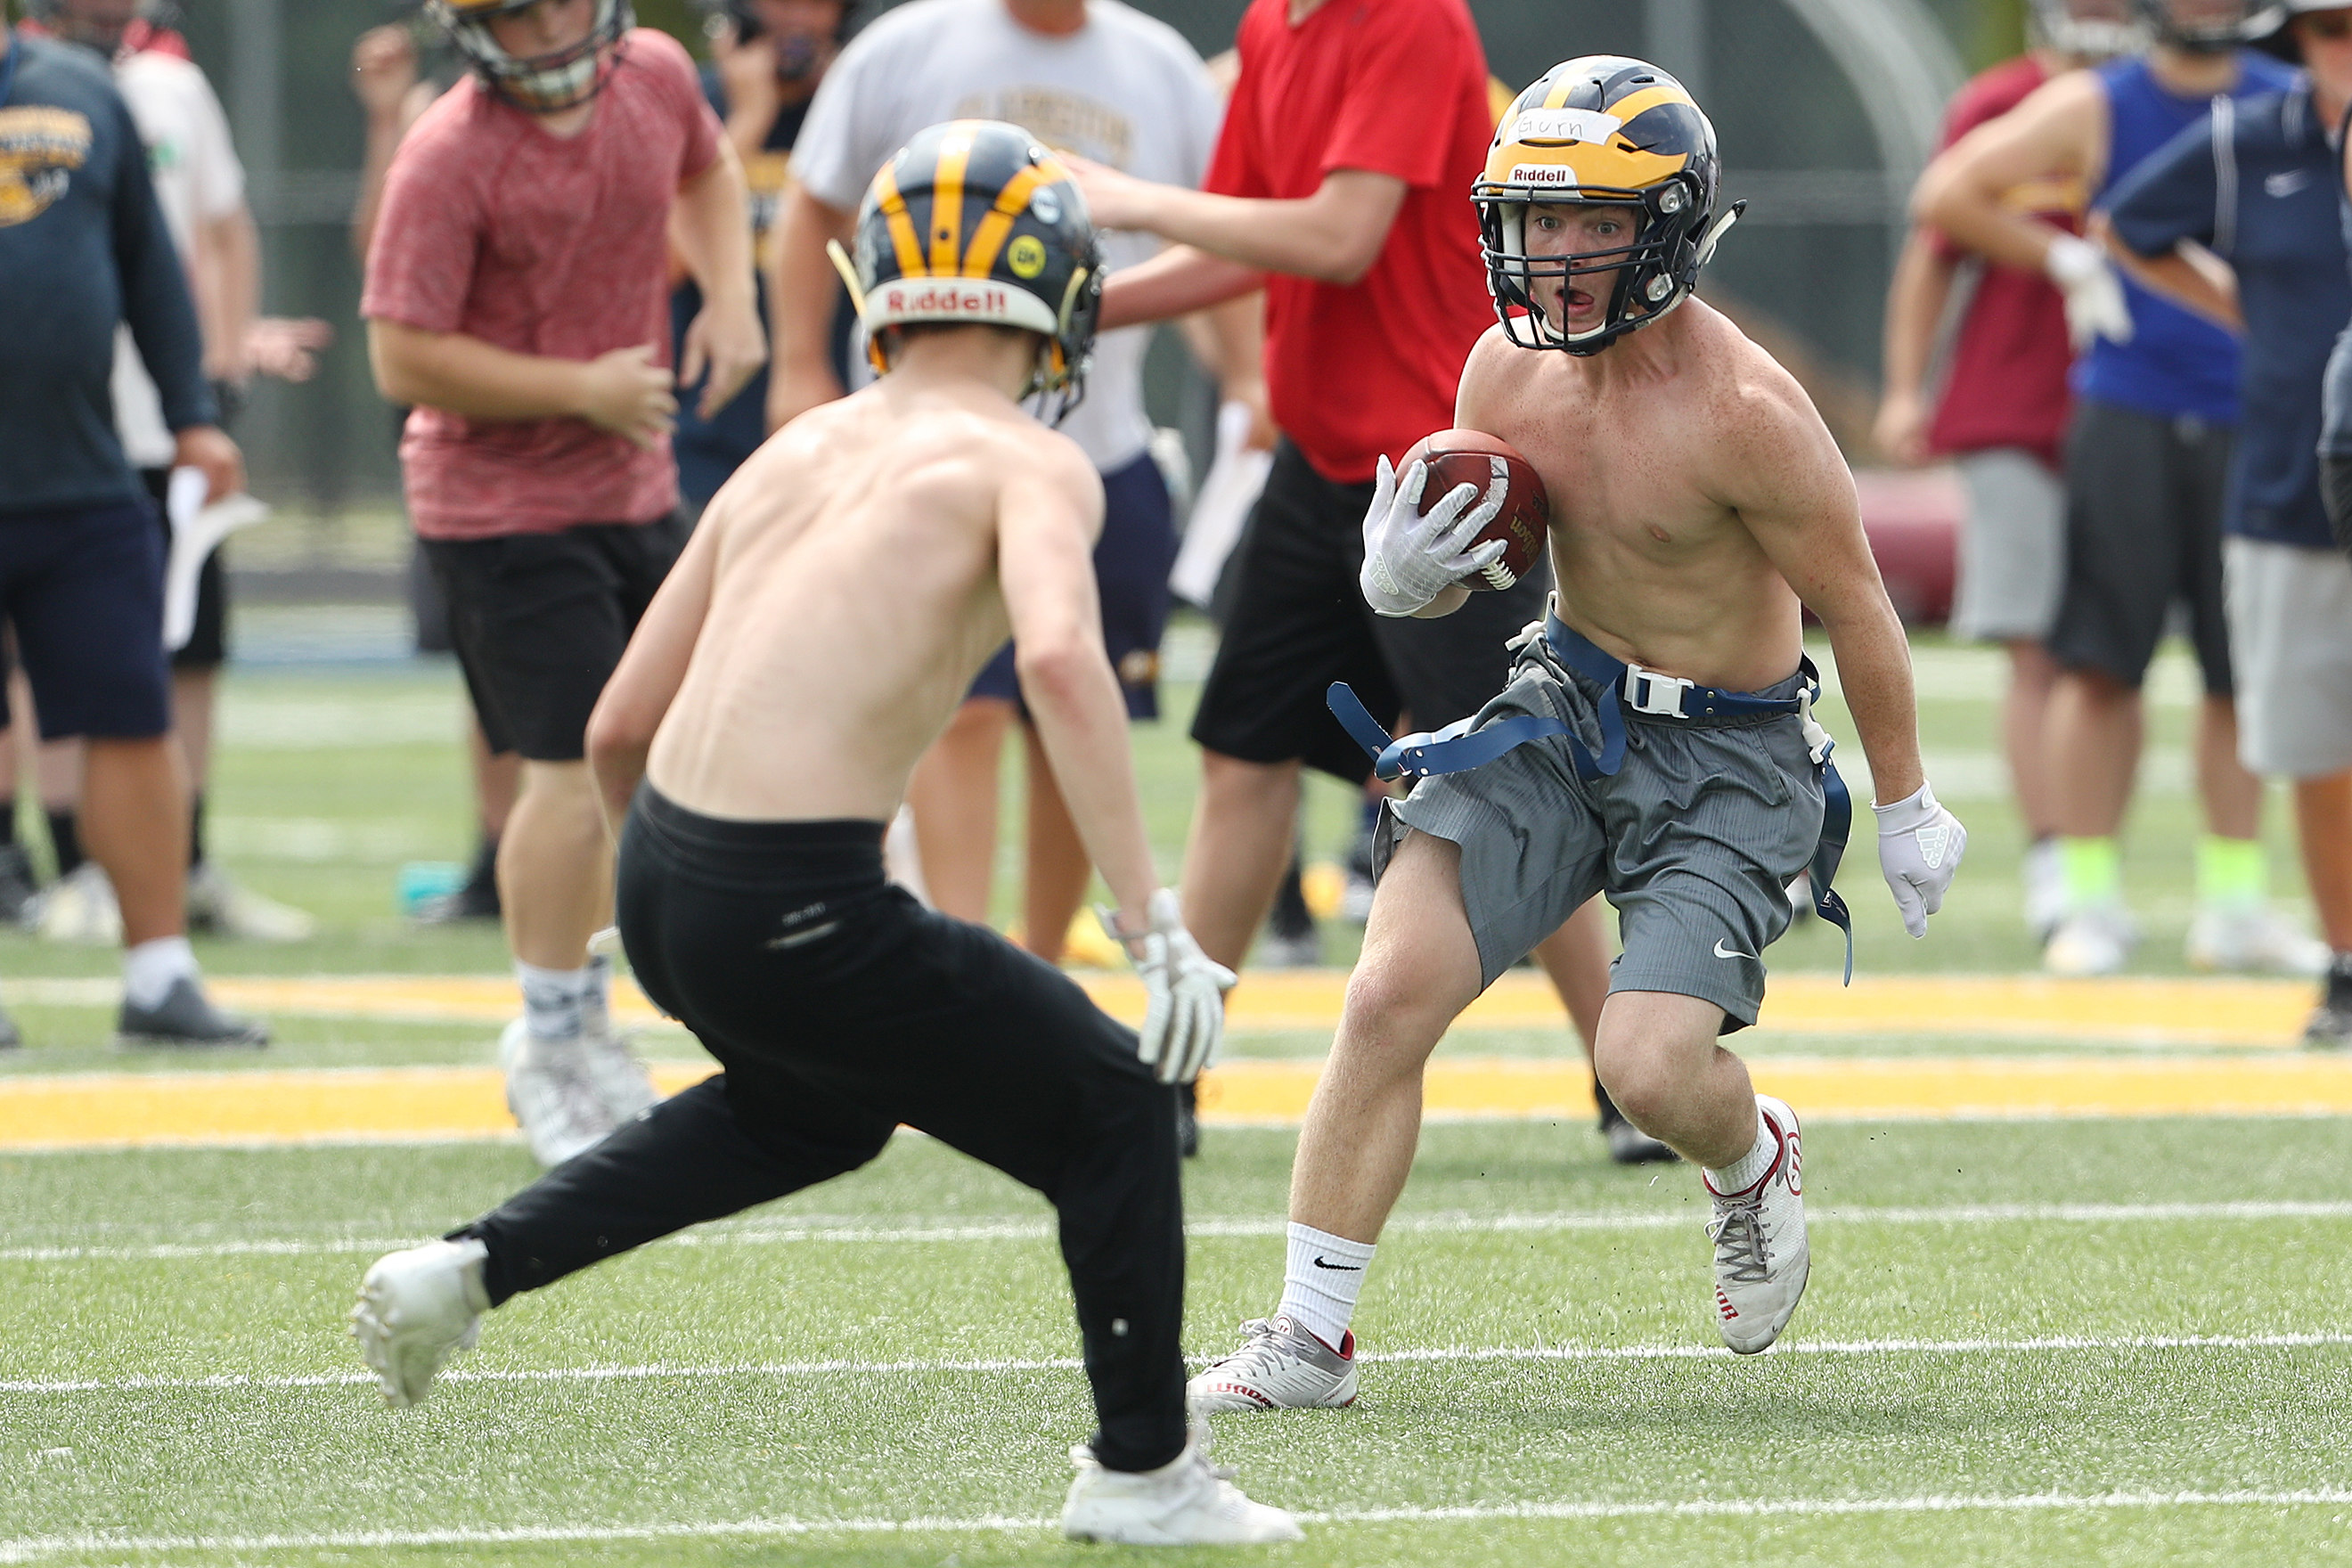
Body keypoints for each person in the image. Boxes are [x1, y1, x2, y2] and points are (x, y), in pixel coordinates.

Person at [347, 120, 1297, 1546]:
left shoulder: (801, 448)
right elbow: (1057, 666)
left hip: (670, 868)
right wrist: (1155, 923)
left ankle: (467, 1269)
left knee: (816, 1112)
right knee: (1113, 1108)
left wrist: (661, 896)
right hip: (787, 892)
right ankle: (1144, 1473)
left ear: (880, 292)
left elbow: (617, 725)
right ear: (1062, 302)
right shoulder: (1035, 465)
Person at [1177, 56, 1965, 1411]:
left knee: (1648, 1066)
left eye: (1593, 220)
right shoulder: (1504, 368)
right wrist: (1406, 577)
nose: (1554, 252)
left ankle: (1748, 1158)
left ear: (1669, 225)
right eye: (1536, 220)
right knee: (1386, 993)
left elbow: (1863, 609)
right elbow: (1493, 556)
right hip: (1562, 702)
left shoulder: (1749, 414)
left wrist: (1903, 803)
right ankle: (1309, 1339)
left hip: (1730, 754)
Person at [1066, 0, 1626, 1160]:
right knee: (1245, 756)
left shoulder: (1413, 19)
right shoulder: (1277, 22)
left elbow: (1336, 235)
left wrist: (1124, 201)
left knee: (1513, 779)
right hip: (1320, 469)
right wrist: (1070, 310)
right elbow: (1235, 246)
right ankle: (1169, 1078)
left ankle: (1628, 1072)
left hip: (1434, 477)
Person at [765, 0, 1255, 973]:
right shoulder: (903, 48)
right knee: (964, 705)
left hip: (1101, 448)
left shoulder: (1156, 65)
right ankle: (961, 944)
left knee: (1076, 715)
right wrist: (793, 361)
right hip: (927, 447)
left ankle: (1037, 957)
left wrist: (1246, 370)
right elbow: (816, 201)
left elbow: (1223, 231)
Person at [363, 0, 764, 1164]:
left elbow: (710, 168)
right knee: (570, 773)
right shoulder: (450, 150)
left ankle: (605, 1016)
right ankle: (551, 1040)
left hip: (630, 489)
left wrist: (732, 299)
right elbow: (402, 353)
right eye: (510, 15)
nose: (542, 35)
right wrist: (577, 388)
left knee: (688, 753)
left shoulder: (652, 74)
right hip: (501, 505)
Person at [1917, 0, 2310, 976]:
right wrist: (2060, 254)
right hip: (2128, 409)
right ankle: (2087, 900)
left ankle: (2236, 900)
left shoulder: (2295, 102)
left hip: (2257, 414)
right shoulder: (2099, 101)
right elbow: (1949, 195)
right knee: (2100, 664)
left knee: (2243, 673)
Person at [15, 0, 327, 949]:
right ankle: (66, 869)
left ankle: (171, 916)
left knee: (158, 676)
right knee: (44, 676)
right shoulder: (64, 85)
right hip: (62, 445)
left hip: (120, 445)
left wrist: (206, 393)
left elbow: (180, 253)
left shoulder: (123, 91)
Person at [0, 20, 266, 1046]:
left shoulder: (81, 90)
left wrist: (194, 413)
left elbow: (150, 267)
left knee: (132, 716)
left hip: (82, 475)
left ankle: (160, 975)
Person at [2103, 0, 2352, 1043]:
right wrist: (2244, 313)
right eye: (2333, 25)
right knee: (2315, 743)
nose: (2346, 45)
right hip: (2293, 481)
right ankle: (2346, 962)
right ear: (2300, 37)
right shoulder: (2252, 140)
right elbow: (2125, 225)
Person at [1875, 0, 2137, 946]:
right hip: (2013, 408)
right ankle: (2054, 862)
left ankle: (2097, 864)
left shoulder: (2147, 99)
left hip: (2136, 415)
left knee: (2112, 654)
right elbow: (1935, 245)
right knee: (2035, 644)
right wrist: (1907, 386)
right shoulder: (1999, 103)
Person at [669, 0, 849, 512]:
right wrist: (750, 117)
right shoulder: (695, 103)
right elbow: (663, 265)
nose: (798, 18)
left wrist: (841, 111)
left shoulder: (848, 113)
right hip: (703, 444)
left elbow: (882, 245)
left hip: (826, 431)